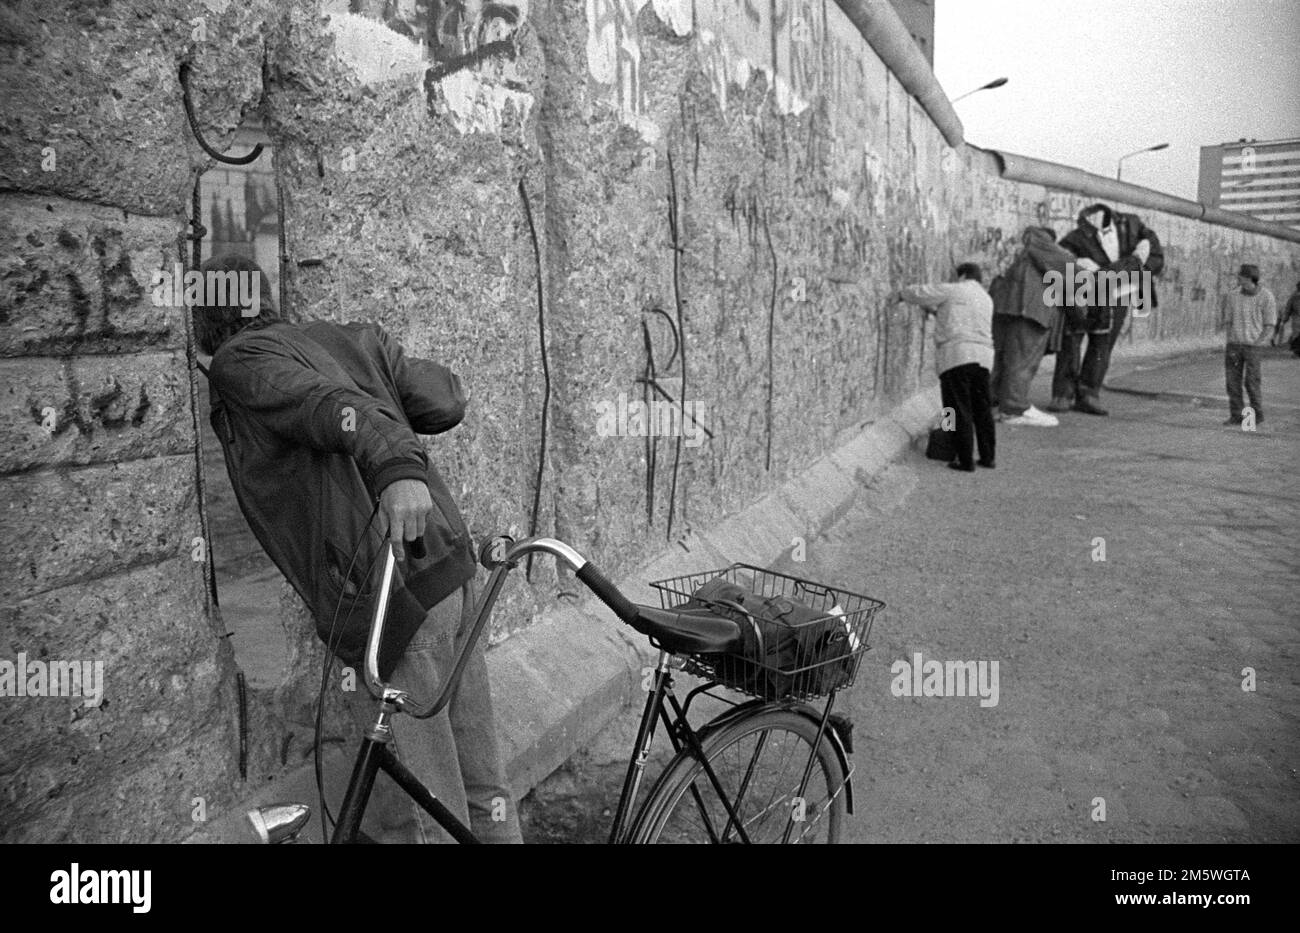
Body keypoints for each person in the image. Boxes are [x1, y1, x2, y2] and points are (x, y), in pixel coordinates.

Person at [194, 254, 522, 844]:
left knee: (429, 811)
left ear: (203, 325)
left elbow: (333, 410)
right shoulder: (348, 339)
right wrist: (370, 361)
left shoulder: (242, 363)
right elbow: (444, 401)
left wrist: (396, 467)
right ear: (267, 300)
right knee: (483, 790)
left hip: (392, 596)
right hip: (447, 572)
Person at [1051, 203, 1163, 415]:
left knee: (1102, 345)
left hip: (1117, 293)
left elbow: (1154, 254)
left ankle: (1088, 394)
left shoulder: (1133, 227)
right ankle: (1063, 394)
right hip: (1084, 291)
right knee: (1071, 341)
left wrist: (1136, 268)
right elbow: (1064, 261)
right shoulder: (1076, 237)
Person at [899, 262, 996, 471]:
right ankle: (988, 457)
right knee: (982, 408)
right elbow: (958, 318)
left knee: (955, 408)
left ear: (962, 276)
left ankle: (963, 458)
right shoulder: (985, 298)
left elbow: (921, 292)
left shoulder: (954, 289)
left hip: (957, 356)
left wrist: (902, 293)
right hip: (984, 357)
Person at [989, 226, 1079, 426]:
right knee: (1022, 361)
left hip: (1007, 308)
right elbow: (1070, 269)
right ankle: (1014, 409)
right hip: (1028, 311)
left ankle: (996, 405)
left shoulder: (1019, 252)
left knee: (1003, 360)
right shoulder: (1038, 241)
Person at [1221, 263, 1277, 425]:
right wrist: (1229, 339)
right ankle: (1236, 414)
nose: (1238, 278)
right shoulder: (1233, 296)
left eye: (1240, 275)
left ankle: (1256, 414)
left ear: (1248, 278)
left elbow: (1270, 325)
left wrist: (1258, 343)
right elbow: (1228, 321)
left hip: (1253, 346)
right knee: (1232, 382)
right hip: (1234, 345)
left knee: (1251, 381)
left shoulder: (1266, 297)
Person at [1274, 280, 1300, 357]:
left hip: (1296, 322)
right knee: (1297, 336)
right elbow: (1288, 310)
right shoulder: (1293, 298)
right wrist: (1283, 320)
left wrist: (1284, 320)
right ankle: (1297, 352)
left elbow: (1288, 310)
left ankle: (1297, 352)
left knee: (1297, 336)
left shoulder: (1293, 297)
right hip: (1297, 322)